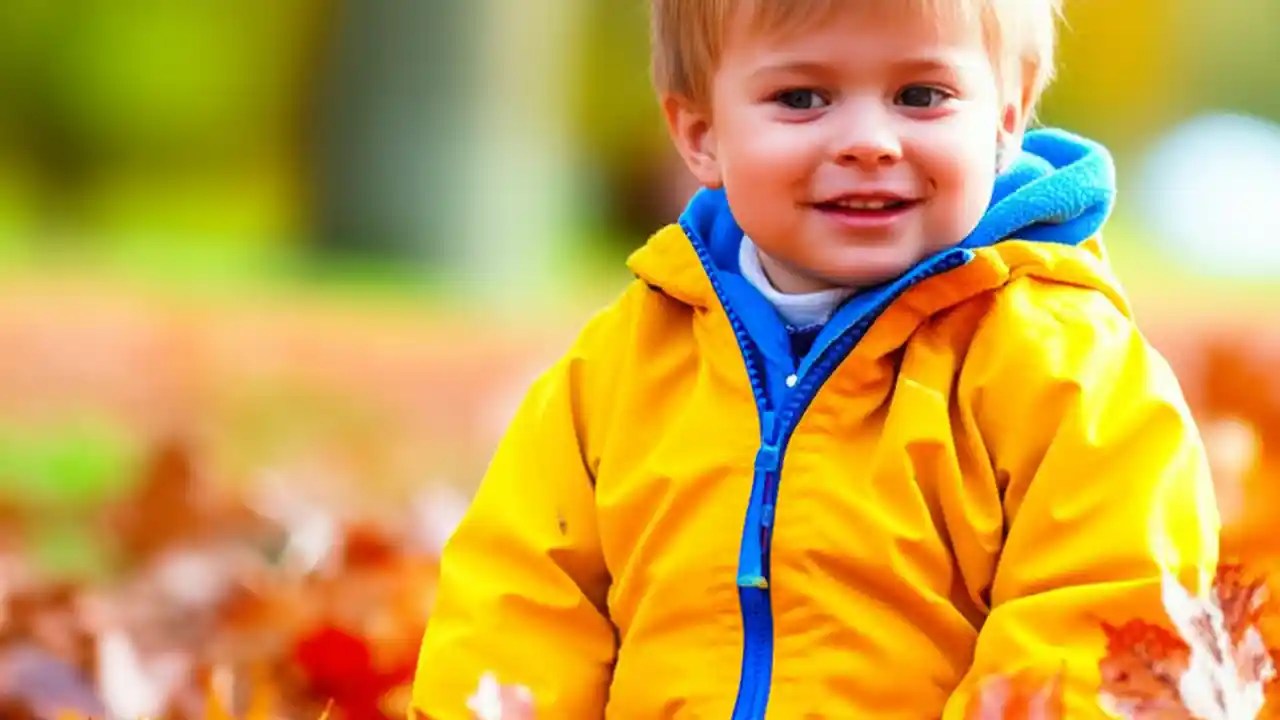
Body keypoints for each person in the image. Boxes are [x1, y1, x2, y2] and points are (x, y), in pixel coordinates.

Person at [410, 1, 1219, 717]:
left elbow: (1103, 619)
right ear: (702, 135)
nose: (868, 141)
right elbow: (517, 610)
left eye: (921, 96)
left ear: (1005, 121)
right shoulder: (621, 369)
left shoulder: (1066, 370)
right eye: (802, 98)